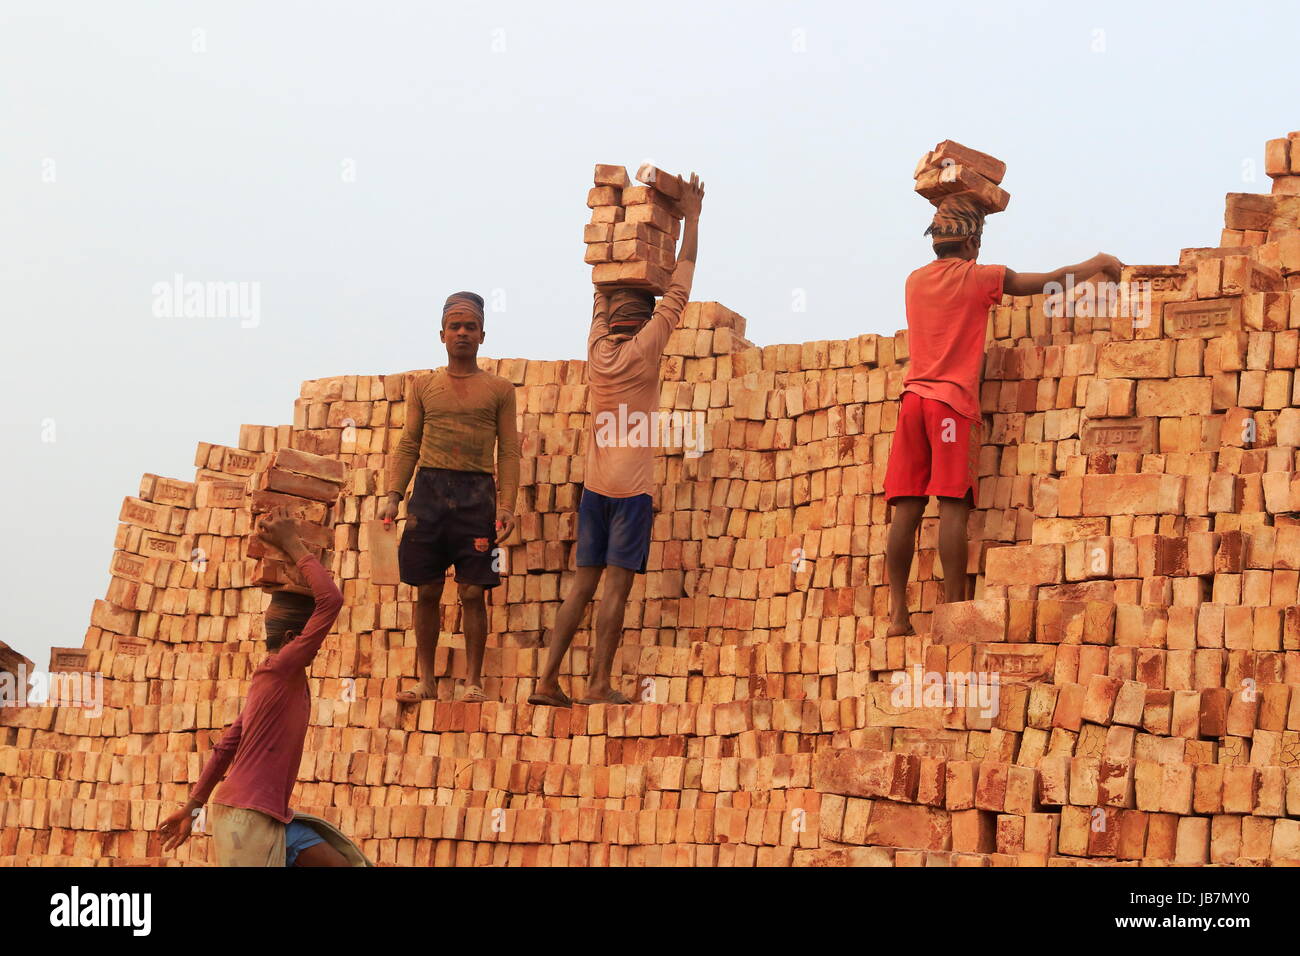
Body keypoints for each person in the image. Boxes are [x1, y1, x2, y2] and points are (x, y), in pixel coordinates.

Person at [883, 194, 1123, 636]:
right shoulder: (979, 278)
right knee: (953, 504)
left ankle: (898, 616)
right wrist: (1098, 262)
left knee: (906, 510)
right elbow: (1048, 282)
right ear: (973, 242)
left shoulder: (913, 281)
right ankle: (954, 613)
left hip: (912, 402)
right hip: (951, 406)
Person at [530, 173, 705, 706]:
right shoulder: (644, 350)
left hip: (594, 491)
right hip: (630, 493)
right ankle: (598, 683)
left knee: (582, 584)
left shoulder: (598, 353)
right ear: (643, 319)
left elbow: (600, 292)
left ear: (609, 318)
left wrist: (612, 250)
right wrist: (692, 217)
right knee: (616, 586)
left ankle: (545, 680)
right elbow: (681, 286)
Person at [159, 508, 353, 866]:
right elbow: (332, 601)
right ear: (294, 637)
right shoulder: (284, 667)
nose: (318, 645)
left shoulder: (270, 678)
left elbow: (226, 747)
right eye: (311, 638)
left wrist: (192, 806)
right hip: (245, 821)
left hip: (267, 816)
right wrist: (292, 543)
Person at [379, 291, 521, 704]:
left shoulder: (499, 389)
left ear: (482, 336)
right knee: (426, 590)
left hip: (477, 496)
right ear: (441, 335)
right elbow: (409, 444)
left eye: (470, 327)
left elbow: (508, 450)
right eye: (455, 326)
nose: (462, 333)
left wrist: (507, 504)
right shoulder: (424, 387)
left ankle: (473, 682)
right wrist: (393, 495)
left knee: (474, 591)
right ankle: (425, 681)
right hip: (428, 495)